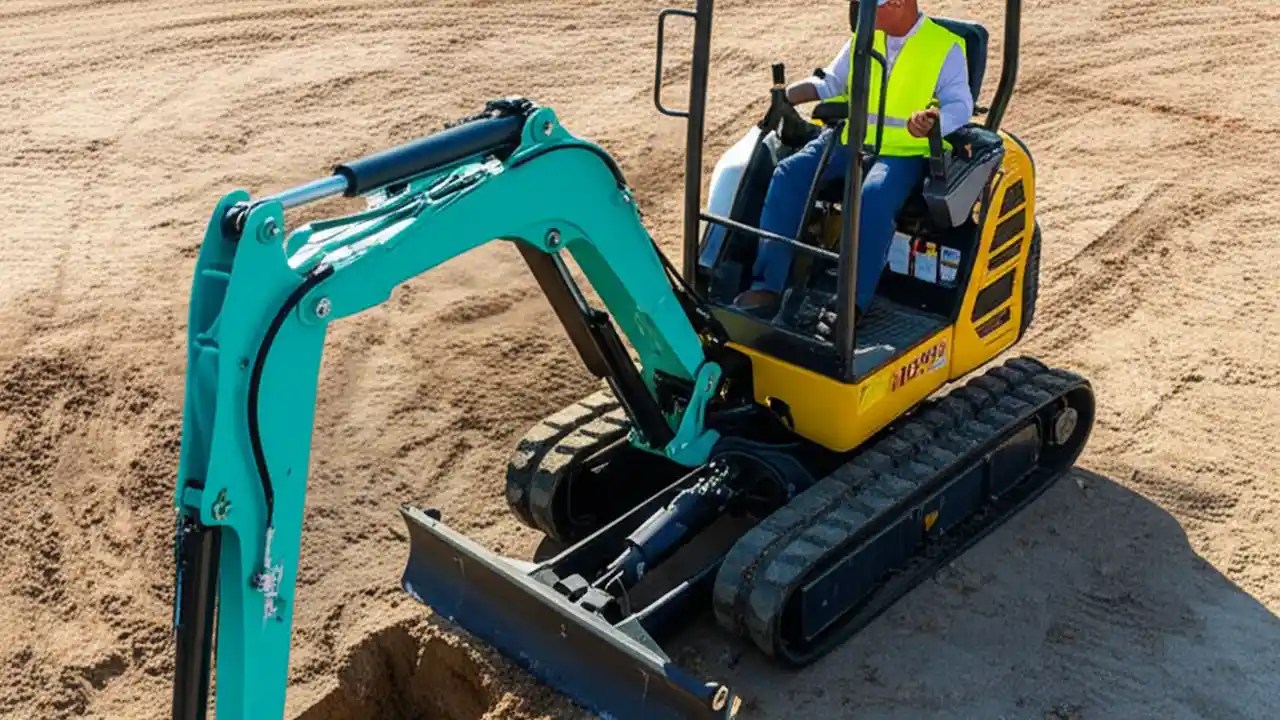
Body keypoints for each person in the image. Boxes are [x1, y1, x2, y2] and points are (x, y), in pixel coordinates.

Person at [734, 0, 972, 318]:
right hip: (851, 140)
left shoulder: (945, 47)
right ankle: (768, 286)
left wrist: (932, 120)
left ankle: (851, 304)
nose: (862, 11)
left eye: (870, 5)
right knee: (789, 174)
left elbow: (960, 105)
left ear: (899, 3)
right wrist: (786, 96)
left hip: (904, 151)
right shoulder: (866, 36)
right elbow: (830, 83)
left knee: (872, 197)